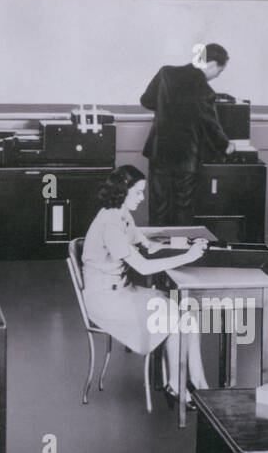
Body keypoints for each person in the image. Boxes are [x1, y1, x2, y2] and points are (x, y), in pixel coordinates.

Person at [81, 165, 211, 409]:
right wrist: (189, 257)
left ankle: (199, 382)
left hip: (122, 291)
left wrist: (188, 243)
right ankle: (176, 384)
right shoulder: (110, 223)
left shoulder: (121, 214)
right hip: (105, 301)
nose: (142, 198)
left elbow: (149, 246)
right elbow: (143, 267)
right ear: (122, 192)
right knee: (172, 315)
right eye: (138, 193)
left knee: (187, 311)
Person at [139, 43, 236, 225]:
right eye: (219, 72)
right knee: (182, 209)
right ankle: (180, 250)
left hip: (159, 153)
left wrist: (166, 107)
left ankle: (156, 250)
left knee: (159, 207)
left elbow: (146, 100)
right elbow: (210, 125)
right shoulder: (205, 91)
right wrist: (227, 145)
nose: (216, 76)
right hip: (185, 159)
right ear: (212, 64)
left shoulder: (166, 73)